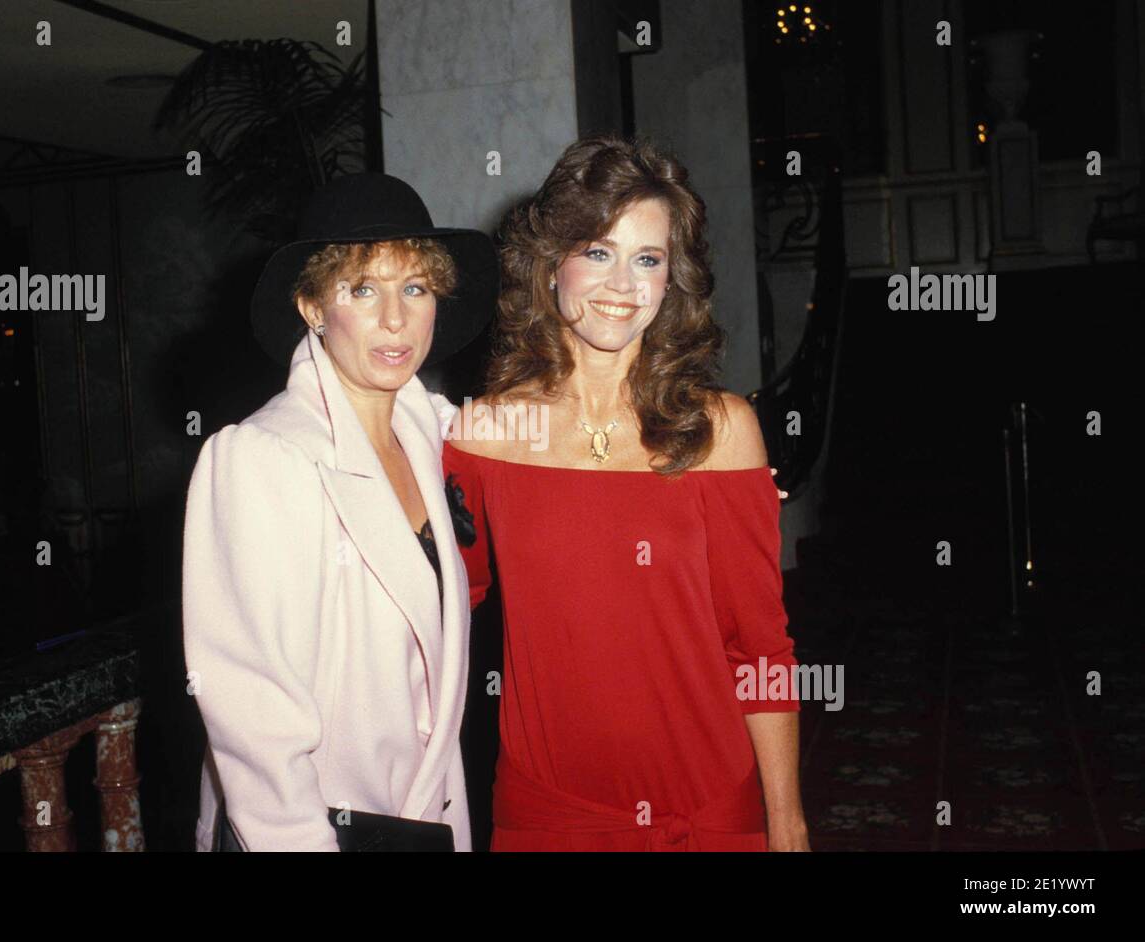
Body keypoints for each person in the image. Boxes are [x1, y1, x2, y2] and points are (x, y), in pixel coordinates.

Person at [443, 135, 810, 851]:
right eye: (598, 251)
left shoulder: (721, 431)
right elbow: (438, 616)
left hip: (708, 812)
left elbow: (759, 646)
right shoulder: (483, 435)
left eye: (647, 258)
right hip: (549, 817)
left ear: (671, 279)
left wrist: (787, 821)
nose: (622, 284)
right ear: (551, 266)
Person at [183, 172, 498, 851]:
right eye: (363, 289)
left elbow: (547, 435)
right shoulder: (261, 456)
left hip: (424, 825)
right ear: (313, 306)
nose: (395, 318)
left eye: (414, 287)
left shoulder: (428, 432)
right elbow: (255, 723)